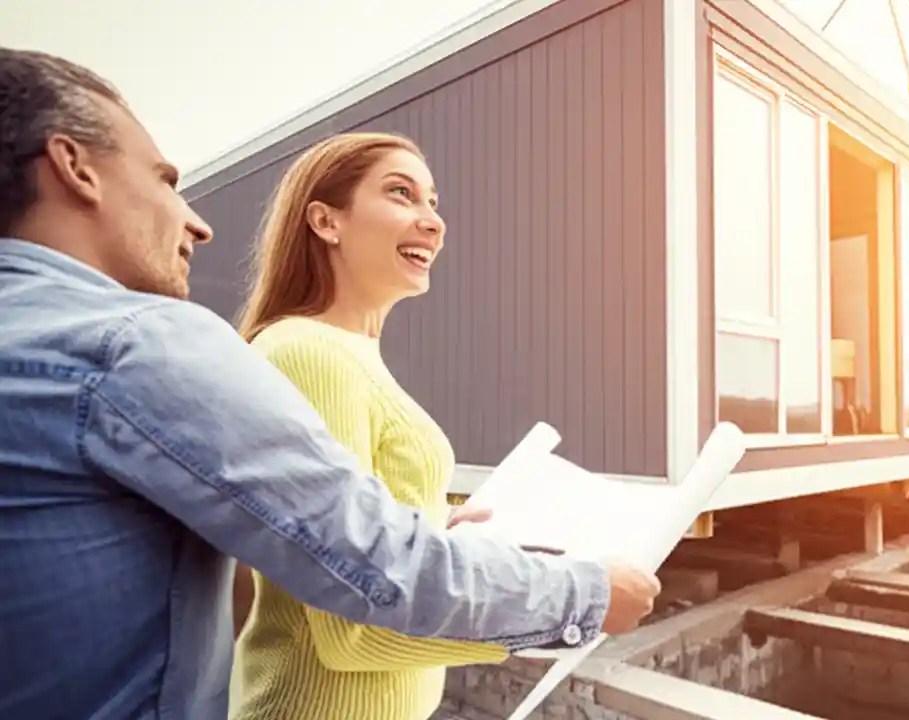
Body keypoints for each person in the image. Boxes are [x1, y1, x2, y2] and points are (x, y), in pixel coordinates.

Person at [0, 47, 660, 720]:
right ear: (75, 168)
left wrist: (427, 529)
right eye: (166, 181)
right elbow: (364, 578)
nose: (197, 222)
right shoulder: (143, 344)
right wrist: (585, 594)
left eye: (434, 200)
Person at [225, 130, 524, 719]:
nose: (433, 221)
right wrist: (538, 619)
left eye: (432, 202)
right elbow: (349, 624)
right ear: (326, 222)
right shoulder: (308, 353)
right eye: (401, 193)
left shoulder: (350, 355)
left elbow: (356, 535)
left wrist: (431, 528)